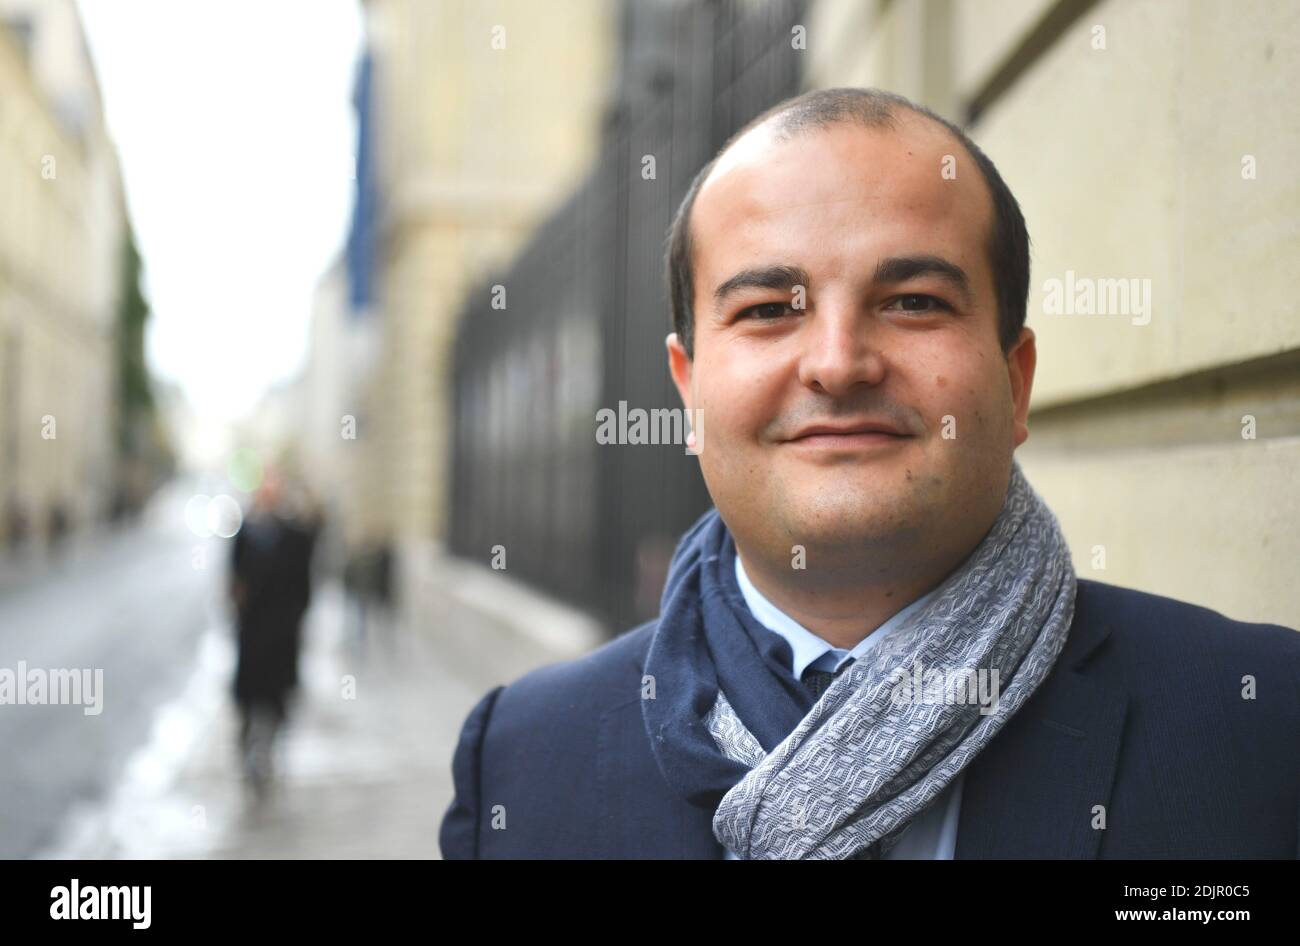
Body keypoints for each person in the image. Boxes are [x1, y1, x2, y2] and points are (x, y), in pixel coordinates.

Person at [439, 87, 1300, 859]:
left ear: (1016, 380)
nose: (839, 363)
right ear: (689, 390)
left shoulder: (1258, 727)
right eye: (770, 309)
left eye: (914, 301)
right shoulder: (521, 762)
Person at [228, 470, 317, 801]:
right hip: (252, 629)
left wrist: (296, 616)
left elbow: (305, 582)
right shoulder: (246, 533)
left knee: (277, 692)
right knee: (251, 691)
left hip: (282, 629)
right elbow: (234, 579)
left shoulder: (295, 534)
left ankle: (271, 743)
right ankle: (250, 740)